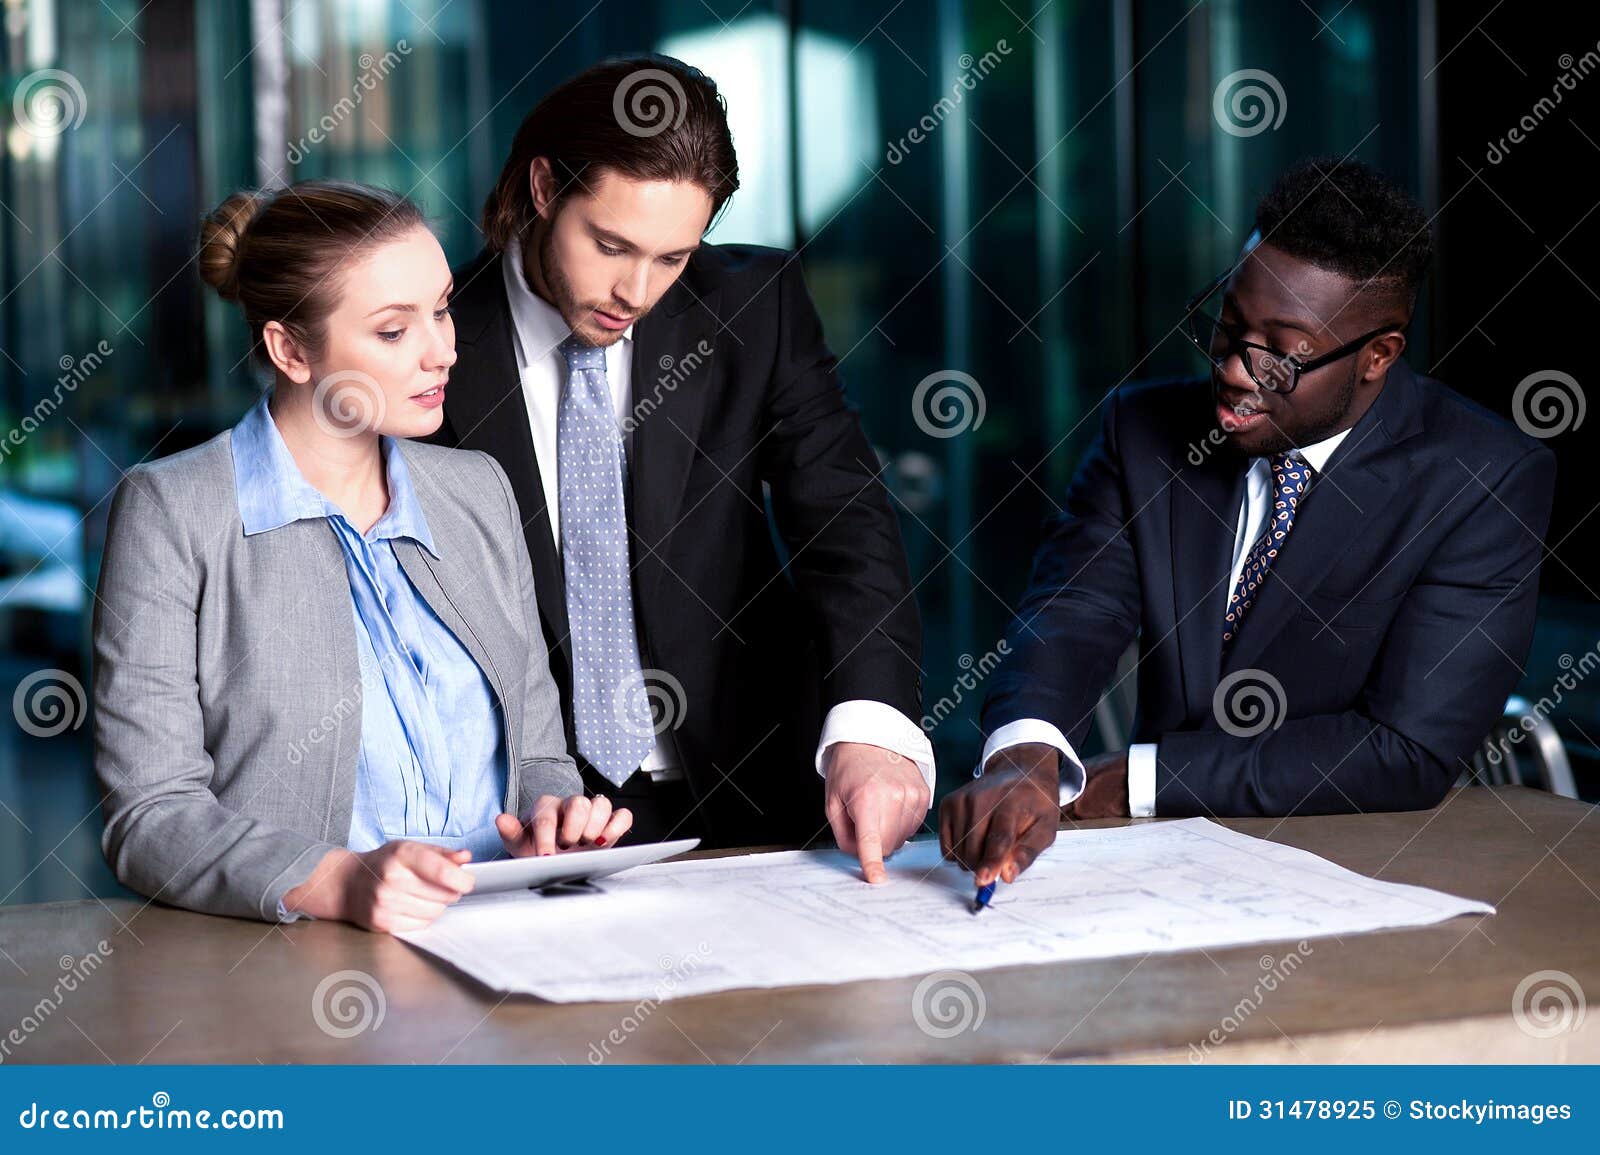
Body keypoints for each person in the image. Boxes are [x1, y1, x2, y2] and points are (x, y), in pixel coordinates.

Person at [940, 156, 1557, 889]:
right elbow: (1076, 611)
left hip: (1356, 874)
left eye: (1281, 356)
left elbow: (1405, 749)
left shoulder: (1483, 478)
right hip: (1145, 874)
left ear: (1377, 356)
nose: (1236, 369)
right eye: (1228, 327)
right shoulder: (1142, 430)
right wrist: (1024, 756)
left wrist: (1136, 780)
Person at [429, 55, 932, 879]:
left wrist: (874, 730)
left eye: (671, 258)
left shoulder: (753, 309)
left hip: (760, 792)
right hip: (532, 822)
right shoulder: (431, 341)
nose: (635, 291)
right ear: (544, 188)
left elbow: (846, 526)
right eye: (610, 245)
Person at [92, 180, 627, 931]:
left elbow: (539, 754)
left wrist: (555, 817)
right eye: (393, 331)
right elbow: (149, 816)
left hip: (508, 938)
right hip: (306, 963)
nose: (443, 351)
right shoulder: (174, 511)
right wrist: (338, 881)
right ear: (290, 350)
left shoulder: (477, 490)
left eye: (441, 309)